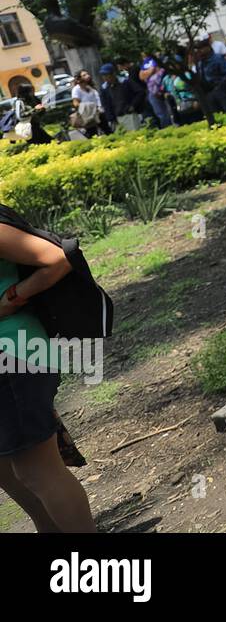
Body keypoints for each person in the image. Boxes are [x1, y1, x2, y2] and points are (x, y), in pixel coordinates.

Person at [0, 206, 96, 532]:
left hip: (11, 357)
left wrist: (11, 298)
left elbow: (57, 258)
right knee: (7, 467)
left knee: (36, 469)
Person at [139, 56, 174, 128]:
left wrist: (149, 72)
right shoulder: (146, 61)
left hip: (165, 90)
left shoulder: (159, 57)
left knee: (171, 112)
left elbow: (154, 70)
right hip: (152, 92)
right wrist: (151, 70)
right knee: (161, 114)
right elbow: (141, 76)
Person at [69, 70, 104, 137]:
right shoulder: (76, 89)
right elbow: (76, 103)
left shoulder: (90, 87)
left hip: (98, 112)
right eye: (84, 75)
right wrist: (89, 106)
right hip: (88, 115)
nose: (87, 76)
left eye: (87, 74)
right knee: (93, 134)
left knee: (107, 129)